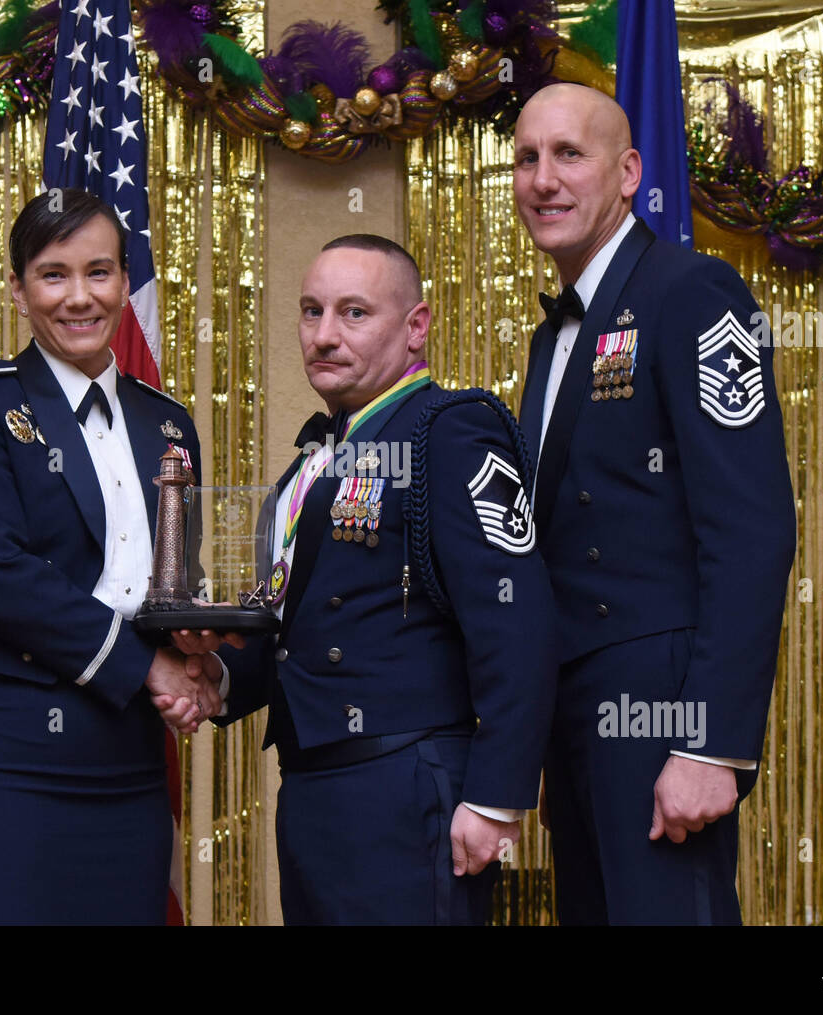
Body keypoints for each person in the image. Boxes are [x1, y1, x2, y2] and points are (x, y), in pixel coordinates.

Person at [166, 235, 558, 925]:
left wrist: (498, 795)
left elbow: (515, 618)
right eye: (311, 311)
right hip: (314, 792)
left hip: (406, 788)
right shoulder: (309, 466)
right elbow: (294, 633)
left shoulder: (451, 430)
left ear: (415, 327)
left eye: (353, 313)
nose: (323, 335)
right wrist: (215, 677)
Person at [511, 83, 797, 924]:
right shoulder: (554, 332)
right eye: (528, 158)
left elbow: (752, 530)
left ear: (630, 172)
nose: (544, 178)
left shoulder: (694, 292)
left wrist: (710, 742)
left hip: (663, 708)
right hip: (575, 715)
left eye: (570, 154)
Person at [0, 187, 220, 925]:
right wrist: (150, 667)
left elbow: (175, 584)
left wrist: (203, 656)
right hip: (0, 756)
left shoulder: (168, 423)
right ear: (18, 290)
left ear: (125, 281)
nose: (80, 297)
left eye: (100, 272)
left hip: (127, 763)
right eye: (54, 274)